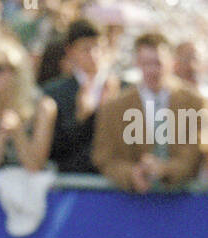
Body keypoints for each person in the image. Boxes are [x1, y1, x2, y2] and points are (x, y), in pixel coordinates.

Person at [92, 32, 205, 194]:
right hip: (132, 203)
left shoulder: (195, 103)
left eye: (158, 63)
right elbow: (105, 158)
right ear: (137, 63)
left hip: (183, 202)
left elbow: (194, 155)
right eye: (146, 63)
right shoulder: (114, 107)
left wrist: (165, 169)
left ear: (172, 62)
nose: (152, 70)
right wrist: (132, 173)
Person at [0, 33, 57, 172]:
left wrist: (18, 132)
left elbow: (35, 167)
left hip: (32, 190)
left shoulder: (44, 106)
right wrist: (2, 134)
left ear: (18, 72)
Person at [44, 19, 120, 175]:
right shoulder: (54, 92)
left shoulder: (124, 89)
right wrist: (81, 119)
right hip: (74, 182)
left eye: (99, 47)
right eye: (86, 49)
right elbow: (54, 150)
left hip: (116, 182)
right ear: (70, 51)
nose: (94, 55)